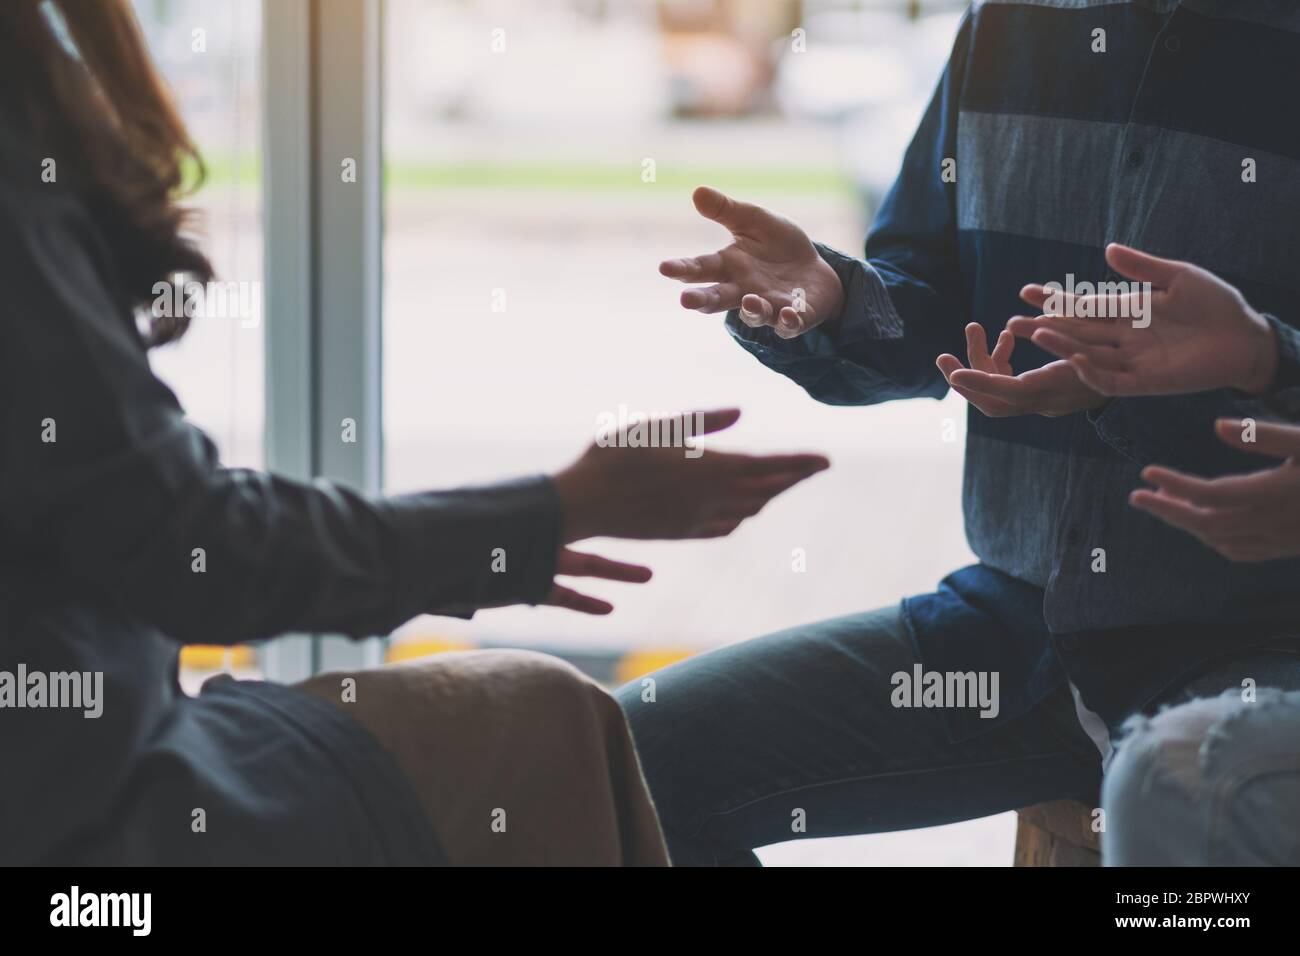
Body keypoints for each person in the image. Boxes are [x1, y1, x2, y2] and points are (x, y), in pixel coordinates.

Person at [0, 0, 830, 866]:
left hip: (84, 752)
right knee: (546, 718)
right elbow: (192, 543)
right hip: (86, 804)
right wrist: (548, 513)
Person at [620, 0, 1300, 865]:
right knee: (625, 763)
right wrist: (832, 297)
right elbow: (937, 302)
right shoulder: (1005, 24)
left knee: (1188, 801)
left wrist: (1258, 359)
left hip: (1260, 641)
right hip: (1014, 634)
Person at [1009, 244, 1300, 865]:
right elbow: (915, 303)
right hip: (1017, 614)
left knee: (1174, 779)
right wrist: (1264, 354)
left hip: (1248, 646)